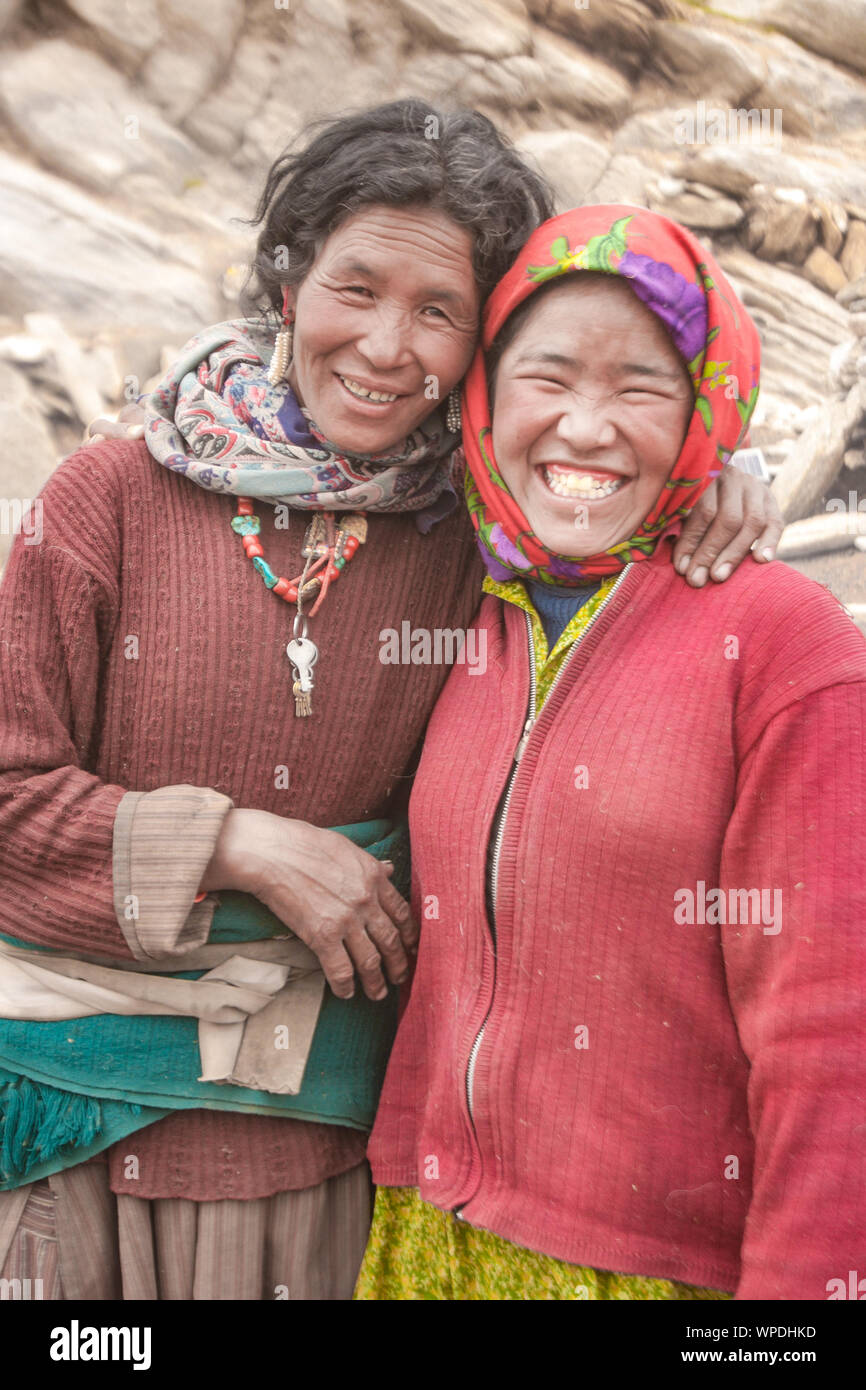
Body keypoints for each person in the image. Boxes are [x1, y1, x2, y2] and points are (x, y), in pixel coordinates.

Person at [0, 99, 781, 1303]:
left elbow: (609, 461)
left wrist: (720, 476)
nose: (383, 346)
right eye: (354, 288)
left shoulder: (487, 537)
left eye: (438, 314)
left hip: (332, 1183)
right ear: (287, 282)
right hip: (73, 1160)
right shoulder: (107, 498)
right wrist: (236, 845)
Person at [357, 204, 866, 1301]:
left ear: (702, 412)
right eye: (546, 377)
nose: (585, 429)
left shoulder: (779, 642)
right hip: (417, 1242)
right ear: (486, 396)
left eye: (640, 388)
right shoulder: (459, 601)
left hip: (650, 1276)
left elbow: (832, 1045)